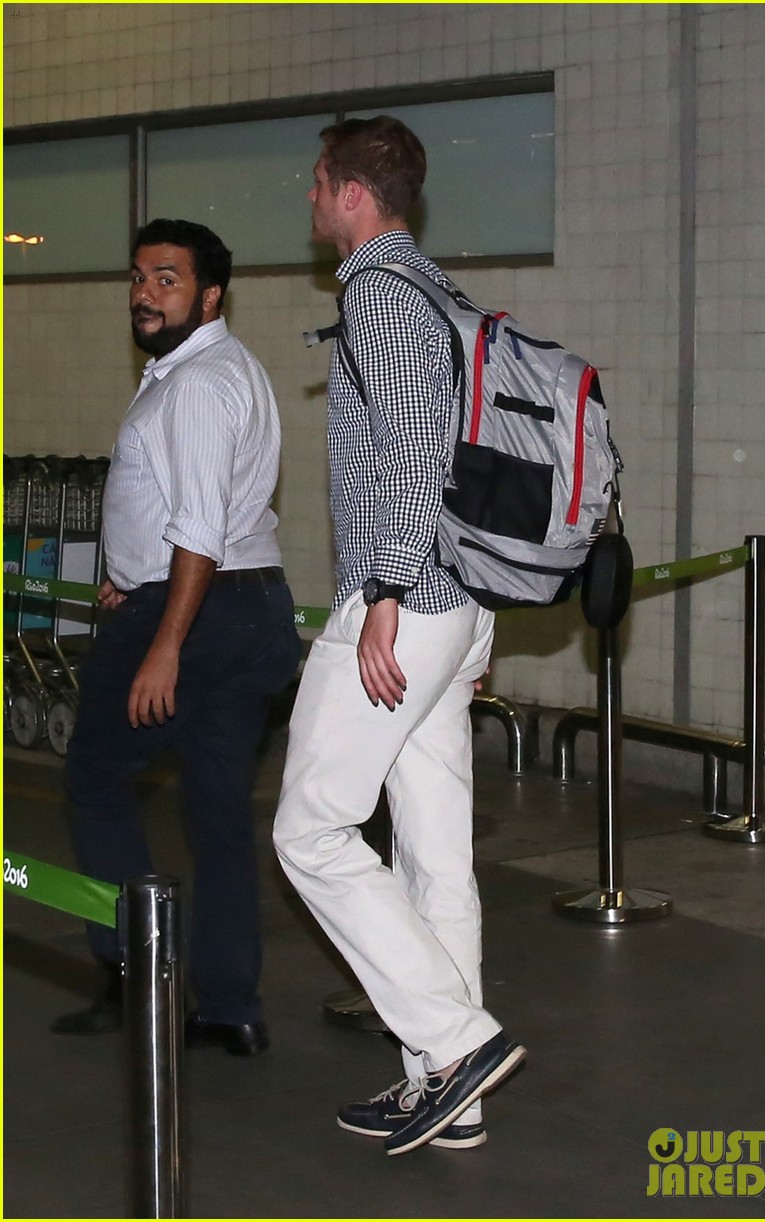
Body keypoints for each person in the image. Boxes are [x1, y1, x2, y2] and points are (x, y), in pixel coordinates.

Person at [273, 117, 526, 1154]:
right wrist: (468, 625)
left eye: (316, 183)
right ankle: (451, 1093)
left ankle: (455, 1041)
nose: (308, 198)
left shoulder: (378, 291)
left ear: (349, 194)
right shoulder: (436, 288)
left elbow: (417, 451)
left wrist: (382, 588)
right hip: (456, 603)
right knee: (433, 852)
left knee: (311, 830)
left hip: (405, 601)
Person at [53, 218, 302, 1055]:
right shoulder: (229, 369)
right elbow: (208, 511)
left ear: (210, 295)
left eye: (167, 279)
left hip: (193, 616)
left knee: (95, 779)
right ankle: (230, 1006)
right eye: (138, 277)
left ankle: (132, 974)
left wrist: (163, 641)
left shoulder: (193, 385)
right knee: (217, 810)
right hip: (249, 609)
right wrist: (132, 568)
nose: (145, 294)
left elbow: (198, 528)